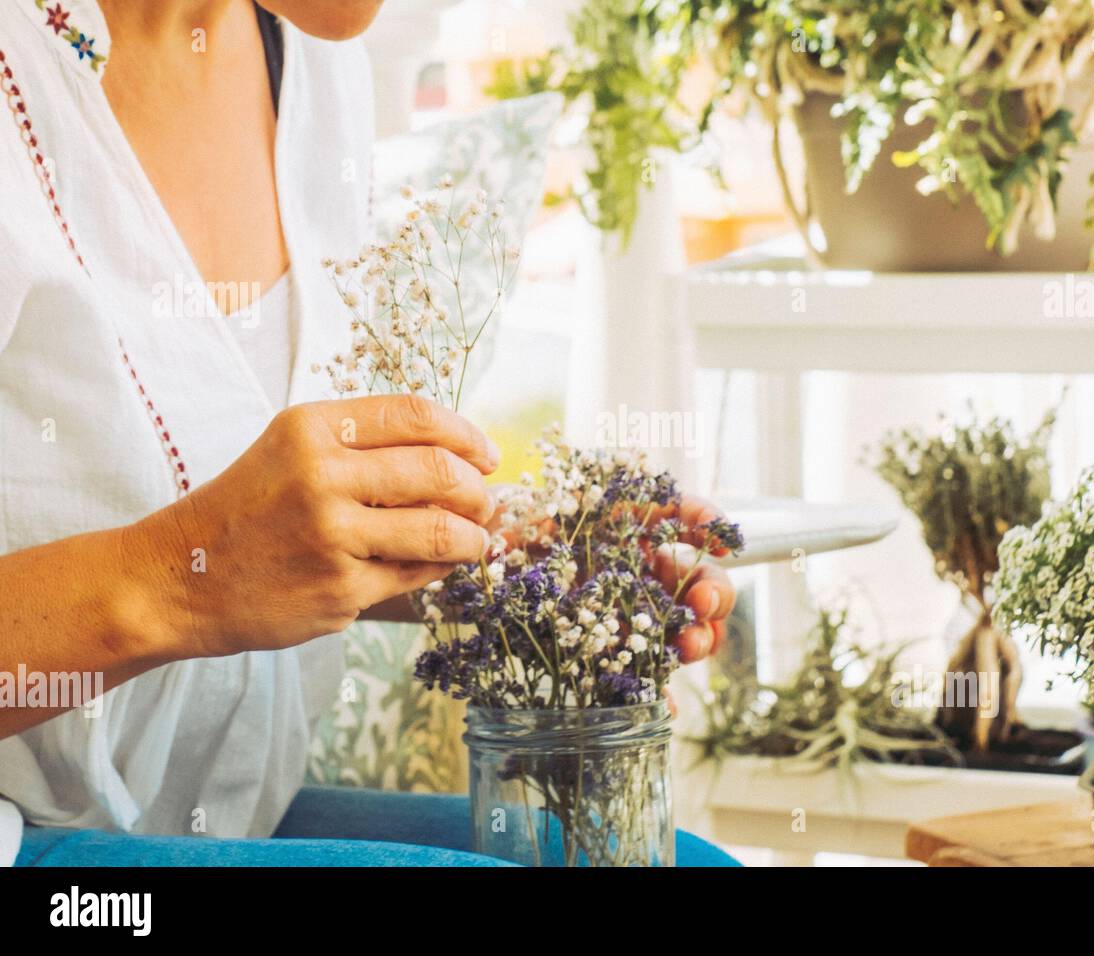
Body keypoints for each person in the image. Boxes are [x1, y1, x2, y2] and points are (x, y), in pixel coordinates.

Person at [0, 0, 736, 866]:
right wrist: (185, 577)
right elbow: (217, 557)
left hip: (226, 812)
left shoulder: (310, 56)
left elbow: (276, 538)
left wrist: (519, 559)